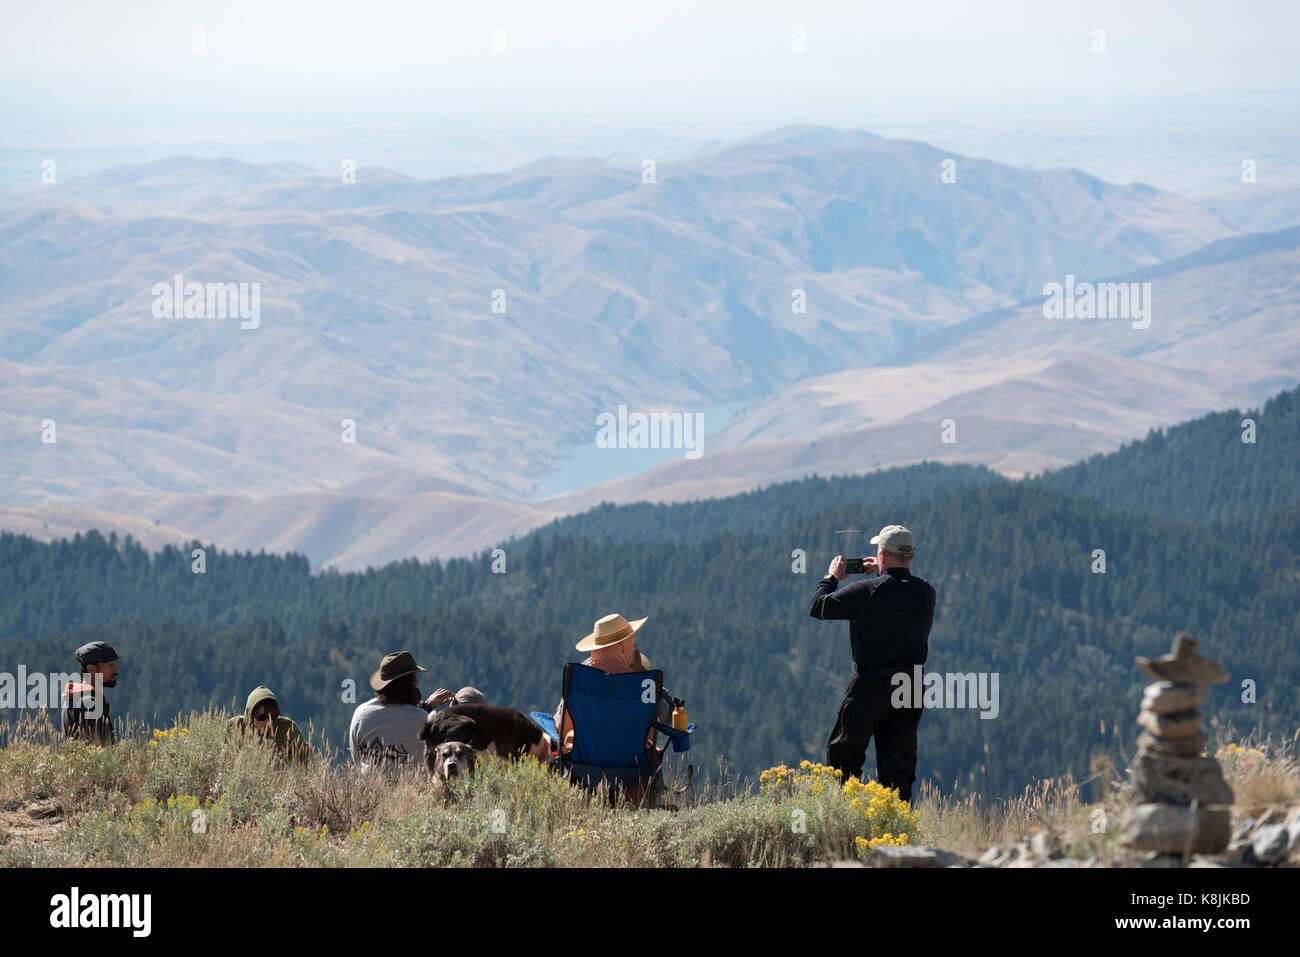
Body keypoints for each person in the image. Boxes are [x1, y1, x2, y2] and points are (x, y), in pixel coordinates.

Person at [808, 524, 935, 803]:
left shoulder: (867, 591)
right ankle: (895, 830)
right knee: (899, 767)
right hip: (910, 686)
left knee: (845, 754)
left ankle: (847, 819)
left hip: (871, 684)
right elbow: (895, 595)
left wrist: (832, 577)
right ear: (910, 556)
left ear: (881, 554)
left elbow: (818, 606)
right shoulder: (926, 592)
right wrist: (881, 572)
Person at [552, 613, 673, 756]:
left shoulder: (579, 682)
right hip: (632, 768)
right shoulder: (643, 685)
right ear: (621, 648)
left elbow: (560, 729)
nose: (635, 647)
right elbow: (651, 733)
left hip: (583, 766)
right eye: (632, 643)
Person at [348, 651, 455, 771]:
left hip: (370, 787)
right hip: (412, 787)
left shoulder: (361, 714)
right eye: (415, 678)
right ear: (411, 683)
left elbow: (357, 758)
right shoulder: (421, 718)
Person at [229, 686, 312, 764]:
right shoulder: (234, 727)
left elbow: (305, 756)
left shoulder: (287, 728)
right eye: (262, 717)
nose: (268, 722)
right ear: (251, 715)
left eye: (272, 717)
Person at [61, 641, 120, 744]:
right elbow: (102, 751)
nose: (116, 670)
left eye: (115, 664)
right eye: (110, 665)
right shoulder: (90, 702)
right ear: (91, 669)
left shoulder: (75, 696)